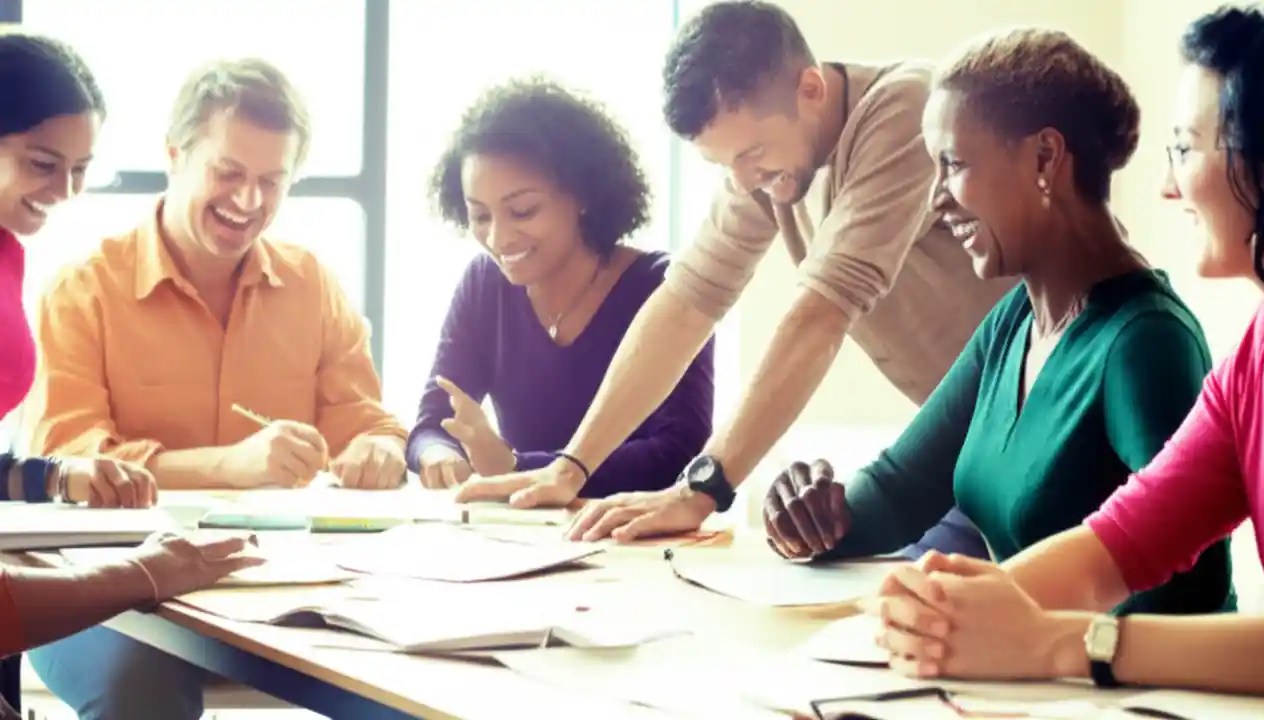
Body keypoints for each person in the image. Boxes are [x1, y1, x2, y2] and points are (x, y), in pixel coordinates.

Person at [457, 0, 1012, 553]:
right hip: (974, 439)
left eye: (751, 153)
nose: (744, 181)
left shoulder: (906, 107)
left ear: (811, 91)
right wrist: (570, 468)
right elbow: (686, 301)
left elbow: (821, 312)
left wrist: (703, 487)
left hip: (1056, 427)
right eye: (726, 164)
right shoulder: (767, 170)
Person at [868, 6, 1264, 696]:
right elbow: (1119, 543)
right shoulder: (1257, 357)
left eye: (1185, 148)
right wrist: (956, 612)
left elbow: (1147, 600)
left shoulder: (1146, 333)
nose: (1168, 187)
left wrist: (1068, 641)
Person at [760, 26, 1233, 622]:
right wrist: (807, 513)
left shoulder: (1145, 342)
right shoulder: (1015, 321)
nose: (936, 200)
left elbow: (1189, 596)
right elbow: (900, 492)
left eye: (953, 165)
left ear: (1045, 158)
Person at [24, 58, 406, 719]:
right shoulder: (84, 289)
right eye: (229, 173)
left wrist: (378, 450)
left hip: (275, 586)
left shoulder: (313, 284)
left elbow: (368, 424)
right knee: (137, 698)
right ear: (175, 155)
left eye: (271, 180)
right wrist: (228, 467)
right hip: (107, 590)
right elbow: (70, 463)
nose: (249, 200)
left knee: (402, 693)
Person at [0, 31, 260, 720]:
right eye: (42, 163)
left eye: (81, 168)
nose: (65, 192)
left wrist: (49, 477)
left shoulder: (6, 250)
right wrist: (146, 573)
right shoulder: (84, 284)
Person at [410, 79, 714, 494]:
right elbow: (432, 424)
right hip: (528, 537)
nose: (499, 239)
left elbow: (677, 453)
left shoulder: (666, 289)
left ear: (582, 194)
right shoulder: (484, 286)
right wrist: (443, 456)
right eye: (480, 216)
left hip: (632, 538)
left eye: (522, 210)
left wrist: (516, 465)